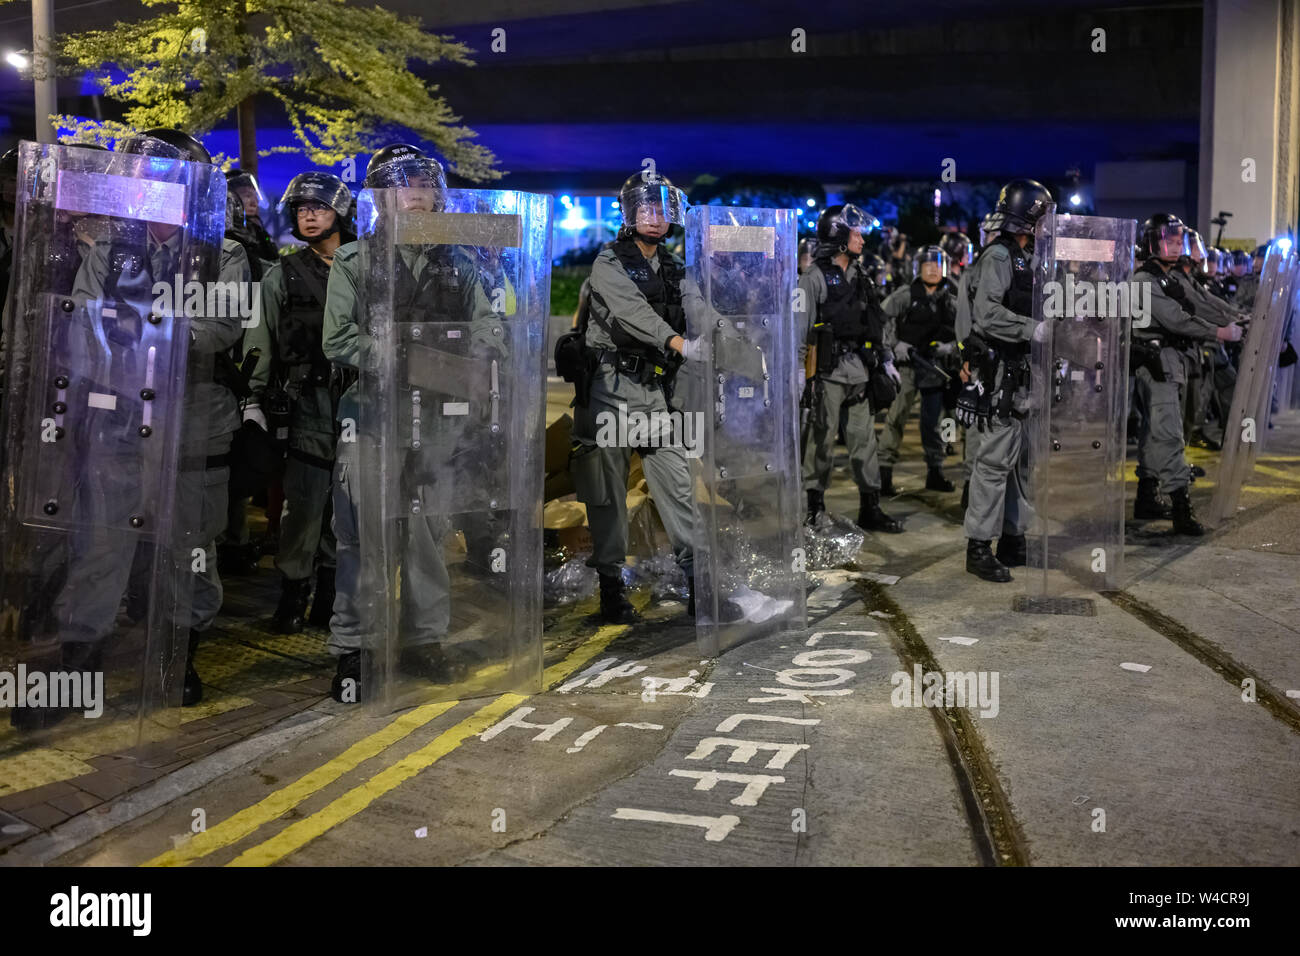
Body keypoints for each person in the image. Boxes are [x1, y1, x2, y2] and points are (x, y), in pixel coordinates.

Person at [322, 143, 502, 701]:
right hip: (373, 418)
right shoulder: (355, 261)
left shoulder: (461, 263)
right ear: (383, 197)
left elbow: (491, 327)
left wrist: (463, 361)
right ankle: (355, 646)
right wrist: (411, 359)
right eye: (404, 185)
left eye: (424, 185)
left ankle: (424, 640)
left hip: (437, 423)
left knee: (426, 536)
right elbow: (337, 339)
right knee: (363, 537)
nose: (416, 194)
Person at [568, 171, 703, 623]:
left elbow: (700, 307)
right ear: (629, 214)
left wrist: (737, 342)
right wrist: (678, 342)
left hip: (652, 390)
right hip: (608, 390)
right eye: (646, 209)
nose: (656, 218)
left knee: (677, 485)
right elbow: (631, 311)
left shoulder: (673, 267)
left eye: (663, 210)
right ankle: (611, 590)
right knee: (606, 494)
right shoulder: (608, 262)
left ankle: (698, 583)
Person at [245, 171, 353, 633]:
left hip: (355, 404)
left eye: (319, 208)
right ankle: (293, 592)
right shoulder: (281, 275)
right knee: (304, 504)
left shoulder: (365, 269)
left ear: (340, 214)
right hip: (305, 404)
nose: (308, 216)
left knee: (346, 506)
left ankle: (330, 595)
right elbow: (260, 340)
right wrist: (252, 400)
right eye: (302, 209)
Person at [954, 179, 1053, 582]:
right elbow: (987, 315)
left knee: (1022, 465)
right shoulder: (998, 256)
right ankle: (979, 547)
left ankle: (1014, 537)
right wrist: (1034, 329)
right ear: (1028, 217)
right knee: (993, 465)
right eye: (1044, 215)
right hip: (1002, 378)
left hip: (1026, 376)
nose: (1050, 223)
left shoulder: (1029, 259)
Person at [1130, 214, 1243, 534]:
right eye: (1171, 238)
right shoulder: (1143, 280)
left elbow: (1199, 303)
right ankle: (1181, 505)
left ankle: (1147, 496)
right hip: (1156, 362)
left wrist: (1235, 318)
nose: (1178, 244)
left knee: (1156, 431)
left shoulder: (1169, 277)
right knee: (1168, 433)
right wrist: (1219, 333)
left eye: (1180, 239)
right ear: (1152, 242)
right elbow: (1176, 318)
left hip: (1171, 360)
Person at [800, 204, 903, 533]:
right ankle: (813, 507)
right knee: (820, 441)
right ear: (840, 237)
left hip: (859, 371)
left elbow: (874, 323)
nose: (862, 239)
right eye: (856, 233)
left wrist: (885, 359)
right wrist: (798, 374)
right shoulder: (813, 277)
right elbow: (801, 330)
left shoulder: (863, 278)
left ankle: (870, 506)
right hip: (825, 373)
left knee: (864, 442)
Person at [878, 244, 958, 494]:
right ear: (918, 268)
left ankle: (935, 472)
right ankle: (883, 475)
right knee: (896, 418)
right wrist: (894, 345)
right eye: (927, 265)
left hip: (935, 368)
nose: (932, 270)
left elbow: (967, 327)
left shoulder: (951, 296)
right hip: (907, 367)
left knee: (932, 424)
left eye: (936, 265)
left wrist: (951, 347)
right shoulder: (905, 294)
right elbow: (881, 320)